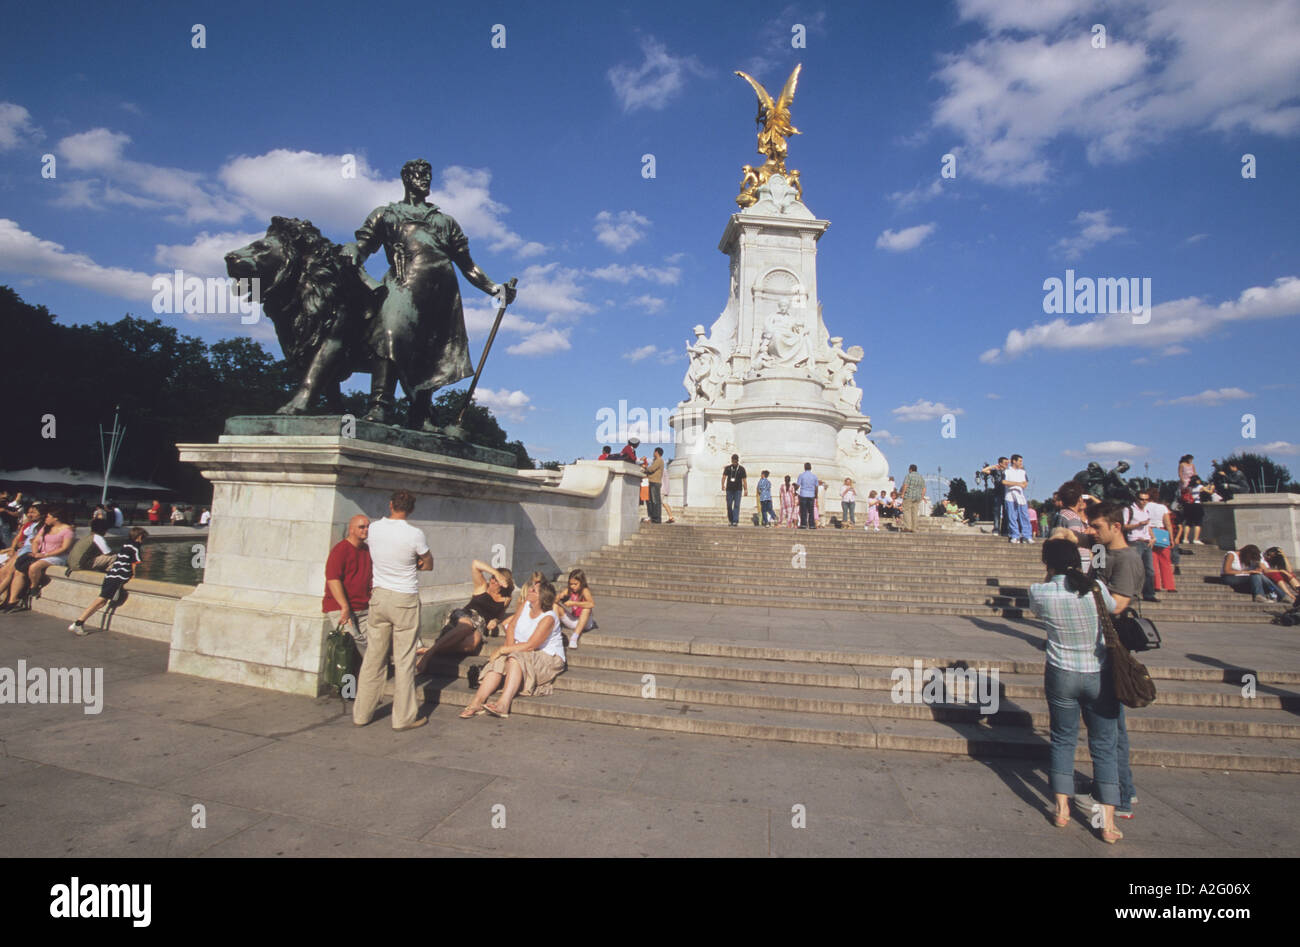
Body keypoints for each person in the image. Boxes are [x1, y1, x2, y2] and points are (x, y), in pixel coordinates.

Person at [346, 158, 516, 430]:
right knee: (388, 334)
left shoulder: (445, 221)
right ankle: (380, 406)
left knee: (431, 353)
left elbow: (467, 265)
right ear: (406, 178)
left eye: (428, 175)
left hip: (441, 294)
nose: (426, 180)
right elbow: (363, 246)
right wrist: (353, 251)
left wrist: (495, 288)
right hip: (402, 286)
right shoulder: (386, 214)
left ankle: (421, 413)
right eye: (420, 175)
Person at [1028, 538, 1124, 844]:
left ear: (1047, 563)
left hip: (1061, 671)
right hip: (1098, 671)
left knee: (1062, 739)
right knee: (1105, 744)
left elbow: (1038, 613)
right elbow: (1113, 609)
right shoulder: (1095, 590)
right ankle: (1108, 822)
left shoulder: (1040, 591)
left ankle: (1062, 809)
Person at [352, 490, 432, 731]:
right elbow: (428, 563)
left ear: (390, 505)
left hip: (379, 596)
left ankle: (361, 714)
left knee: (373, 657)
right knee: (405, 659)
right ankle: (403, 718)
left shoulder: (374, 529)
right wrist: (416, 562)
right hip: (404, 597)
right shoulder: (415, 534)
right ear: (411, 509)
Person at [1086, 501, 1142, 820]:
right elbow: (1086, 581)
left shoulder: (1128, 559)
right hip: (1098, 640)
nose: (1092, 532)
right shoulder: (1100, 552)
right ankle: (1123, 789)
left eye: (1097, 527)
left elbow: (1118, 604)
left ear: (1116, 526)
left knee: (1111, 724)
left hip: (1116, 643)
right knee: (1109, 722)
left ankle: (1120, 796)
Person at [459, 579, 566, 719]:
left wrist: (505, 650)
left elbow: (531, 645)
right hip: (523, 650)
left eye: (534, 590)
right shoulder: (525, 605)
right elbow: (512, 627)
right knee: (500, 660)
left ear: (542, 597)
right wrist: (507, 650)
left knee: (514, 657)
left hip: (548, 657)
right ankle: (477, 702)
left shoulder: (549, 618)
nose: (530, 589)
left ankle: (503, 704)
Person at [417, 558, 515, 667]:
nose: (492, 581)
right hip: (465, 615)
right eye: (492, 578)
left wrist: (495, 621)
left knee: (472, 644)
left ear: (504, 583)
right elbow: (475, 564)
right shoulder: (483, 586)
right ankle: (429, 654)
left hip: (480, 624)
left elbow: (500, 615)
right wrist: (495, 572)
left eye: (497, 580)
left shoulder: (506, 599)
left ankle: (431, 650)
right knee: (466, 626)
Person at [67, 527, 149, 635]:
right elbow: (135, 563)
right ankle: (78, 623)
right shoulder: (135, 547)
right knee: (100, 600)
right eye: (143, 539)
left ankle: (79, 622)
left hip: (111, 575)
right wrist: (134, 575)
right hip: (117, 577)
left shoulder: (125, 545)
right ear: (139, 538)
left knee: (102, 602)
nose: (143, 541)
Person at [3, 506, 76, 611]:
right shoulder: (46, 527)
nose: (46, 519)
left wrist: (45, 555)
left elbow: (64, 548)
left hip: (57, 556)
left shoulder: (67, 530)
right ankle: (13, 600)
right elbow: (36, 541)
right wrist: (35, 552)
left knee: (35, 566)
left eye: (48, 517)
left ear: (56, 518)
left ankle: (34, 586)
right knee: (19, 571)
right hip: (40, 554)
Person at [322, 514, 373, 655]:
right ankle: (363, 675)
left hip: (363, 608)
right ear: (351, 529)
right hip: (341, 608)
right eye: (361, 527)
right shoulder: (340, 550)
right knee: (355, 642)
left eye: (368, 526)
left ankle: (369, 675)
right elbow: (333, 579)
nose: (366, 530)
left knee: (373, 643)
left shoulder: (367, 550)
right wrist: (344, 606)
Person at [1122, 488, 1160, 603]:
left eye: (1146, 500)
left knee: (1149, 570)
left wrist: (1153, 537)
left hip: (1146, 542)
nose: (1143, 502)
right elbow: (1124, 526)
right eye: (1141, 499)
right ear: (1136, 499)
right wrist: (1138, 524)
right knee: (1135, 569)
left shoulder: (1146, 511)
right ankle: (1132, 593)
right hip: (1134, 541)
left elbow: (1148, 526)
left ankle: (1149, 593)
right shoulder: (1129, 509)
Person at [1221, 545, 1293, 603]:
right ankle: (1261, 596)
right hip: (1229, 578)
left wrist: (1256, 570)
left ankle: (1281, 596)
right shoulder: (1231, 555)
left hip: (1242, 577)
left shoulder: (1245, 559)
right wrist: (1248, 572)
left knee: (1258, 575)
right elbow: (1226, 571)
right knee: (1255, 575)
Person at [1144, 490, 1176, 593]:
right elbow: (1168, 524)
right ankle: (1170, 586)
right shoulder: (1162, 507)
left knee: (1152, 561)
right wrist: (1171, 538)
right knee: (1166, 561)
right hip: (1162, 532)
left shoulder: (1145, 507)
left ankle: (1156, 585)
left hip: (1149, 532)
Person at [557, 568, 595, 647]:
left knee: (587, 609)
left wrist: (574, 603)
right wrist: (559, 597)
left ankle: (574, 638)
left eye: (575, 584)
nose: (573, 586)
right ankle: (554, 630)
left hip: (586, 623)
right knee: (555, 606)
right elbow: (555, 599)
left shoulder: (585, 590)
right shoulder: (569, 590)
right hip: (574, 620)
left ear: (581, 583)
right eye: (571, 584)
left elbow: (591, 604)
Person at [1003, 455, 1030, 543]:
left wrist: (1019, 485)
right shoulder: (1007, 471)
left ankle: (1027, 535)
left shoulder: (1022, 472)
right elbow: (1004, 481)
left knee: (1024, 515)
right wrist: (1017, 483)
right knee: (1012, 516)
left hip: (1020, 495)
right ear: (1014, 461)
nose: (1021, 463)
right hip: (1010, 495)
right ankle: (1015, 535)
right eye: (1019, 461)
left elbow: (1025, 483)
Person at [980, 458, 1009, 535]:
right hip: (997, 493)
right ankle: (996, 529)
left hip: (1007, 494)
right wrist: (993, 466)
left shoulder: (1009, 472)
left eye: (1007, 462)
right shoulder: (996, 471)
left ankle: (1004, 530)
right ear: (1000, 463)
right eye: (1005, 462)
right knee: (997, 512)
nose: (1007, 464)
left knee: (1006, 512)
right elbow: (984, 470)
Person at [722, 454, 748, 527]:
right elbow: (724, 477)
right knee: (729, 505)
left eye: (735, 460)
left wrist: (745, 489)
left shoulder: (741, 469)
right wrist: (722, 485)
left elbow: (744, 480)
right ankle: (731, 519)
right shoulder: (728, 468)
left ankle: (735, 520)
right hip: (729, 489)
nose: (734, 462)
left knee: (736, 505)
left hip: (738, 490)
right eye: (733, 460)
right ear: (731, 460)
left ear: (737, 460)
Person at [900, 464, 926, 533]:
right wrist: (922, 497)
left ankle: (907, 527)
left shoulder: (909, 475)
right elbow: (924, 488)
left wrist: (902, 493)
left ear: (910, 469)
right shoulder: (921, 477)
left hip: (908, 496)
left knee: (906, 511)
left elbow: (905, 485)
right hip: (917, 497)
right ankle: (914, 528)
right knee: (914, 513)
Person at [795, 463, 818, 529]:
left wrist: (795, 491)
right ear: (811, 468)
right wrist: (816, 495)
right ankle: (811, 525)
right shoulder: (814, 476)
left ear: (804, 467)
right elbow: (816, 487)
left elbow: (798, 485)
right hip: (811, 495)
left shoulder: (801, 475)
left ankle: (803, 524)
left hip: (803, 494)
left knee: (803, 510)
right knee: (811, 511)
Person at [646, 447, 665, 523]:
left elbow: (651, 469)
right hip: (653, 481)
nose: (653, 453)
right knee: (651, 501)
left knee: (655, 501)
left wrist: (645, 468)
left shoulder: (659, 460)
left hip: (655, 482)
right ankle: (653, 517)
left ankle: (656, 518)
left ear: (656, 452)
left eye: (654, 452)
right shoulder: (656, 460)